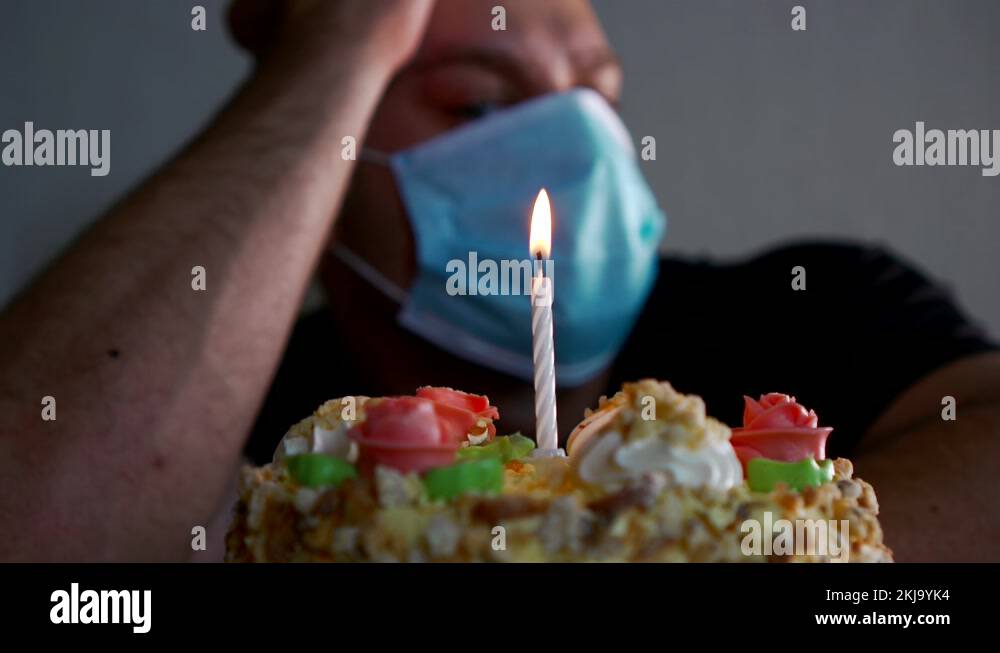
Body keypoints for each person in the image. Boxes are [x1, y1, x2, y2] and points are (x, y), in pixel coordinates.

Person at [0, 0, 997, 563]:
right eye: (479, 104)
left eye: (597, 102)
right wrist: (342, 39)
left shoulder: (820, 304)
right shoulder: (245, 415)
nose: (571, 154)